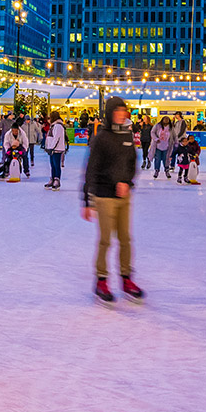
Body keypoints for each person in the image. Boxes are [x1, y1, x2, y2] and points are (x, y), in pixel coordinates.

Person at [81, 96, 142, 305]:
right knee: (105, 240)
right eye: (117, 111)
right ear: (109, 113)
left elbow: (132, 163)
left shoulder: (127, 134)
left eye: (123, 111)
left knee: (125, 239)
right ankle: (101, 281)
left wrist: (127, 181)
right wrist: (87, 200)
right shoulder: (101, 137)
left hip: (124, 196)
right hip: (104, 196)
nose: (121, 114)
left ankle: (126, 279)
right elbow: (91, 169)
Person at [44, 112, 67, 190]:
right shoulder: (53, 126)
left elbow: (56, 138)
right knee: (52, 165)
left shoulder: (58, 126)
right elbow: (50, 137)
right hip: (52, 148)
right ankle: (53, 178)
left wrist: (52, 147)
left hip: (56, 149)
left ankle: (57, 180)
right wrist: (47, 146)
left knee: (56, 165)